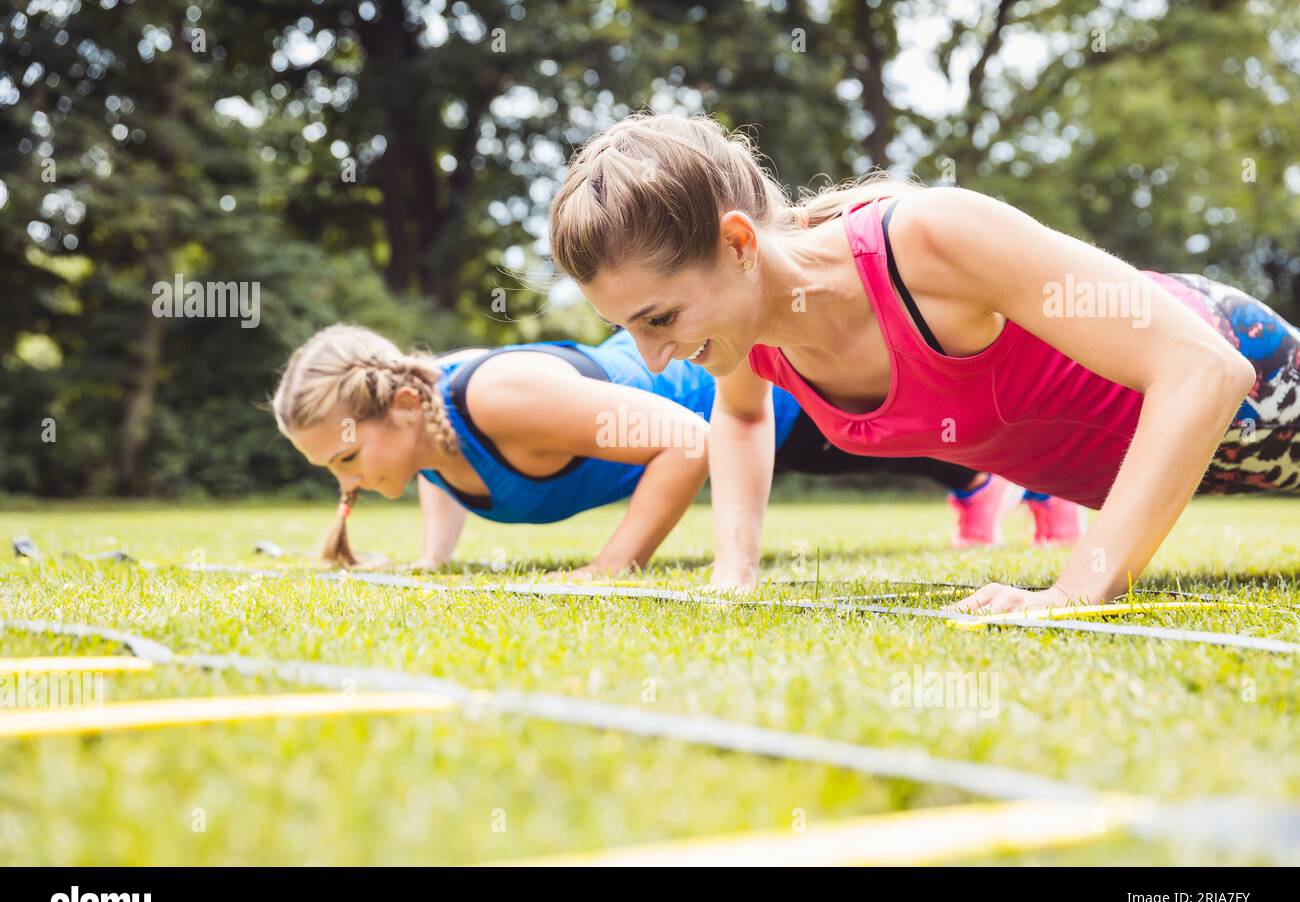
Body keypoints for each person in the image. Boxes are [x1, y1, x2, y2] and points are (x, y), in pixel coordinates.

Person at [547, 113, 1295, 612]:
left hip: (1254, 383)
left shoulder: (930, 239)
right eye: (628, 328)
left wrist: (1075, 589)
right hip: (1191, 461)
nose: (650, 358)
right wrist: (733, 572)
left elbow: (1207, 371)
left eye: (660, 318)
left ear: (739, 245)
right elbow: (741, 419)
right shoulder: (750, 332)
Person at [270, 326, 1082, 575]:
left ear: (406, 406)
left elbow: (693, 443)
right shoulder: (428, 438)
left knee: (891, 430)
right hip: (703, 401)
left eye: (343, 458)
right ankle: (977, 477)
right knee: (884, 447)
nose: (344, 480)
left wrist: (612, 564)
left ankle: (1025, 470)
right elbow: (445, 474)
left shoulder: (498, 397)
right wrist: (434, 560)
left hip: (731, 391)